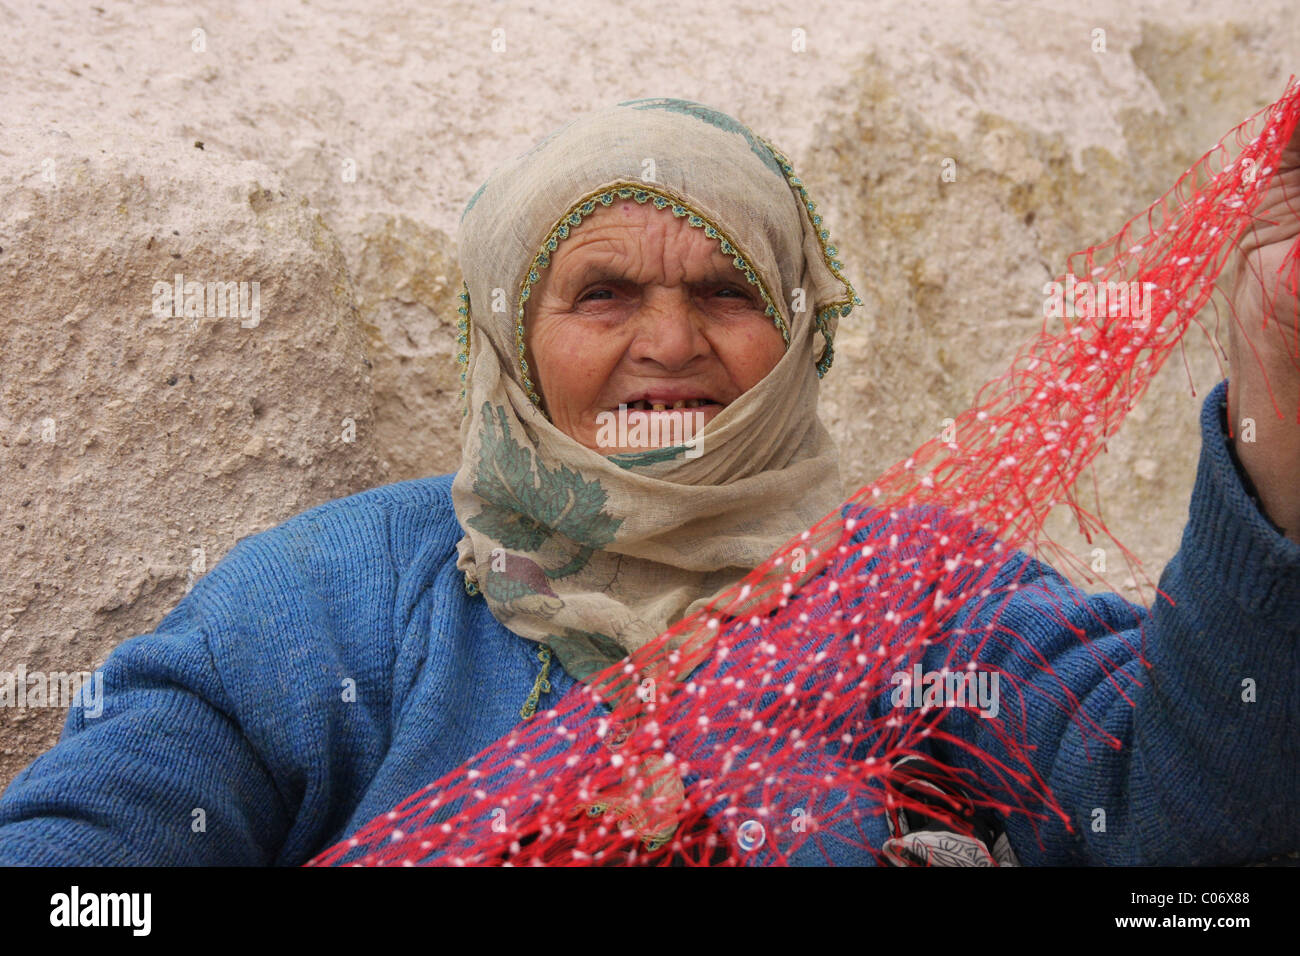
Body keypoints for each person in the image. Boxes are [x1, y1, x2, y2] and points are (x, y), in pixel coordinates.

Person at [0, 97, 1296, 866]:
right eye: (603, 293)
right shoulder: (332, 603)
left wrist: (1277, 375)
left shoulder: (923, 599)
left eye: (727, 292)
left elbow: (1191, 830)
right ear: (509, 340)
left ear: (801, 340)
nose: (670, 346)